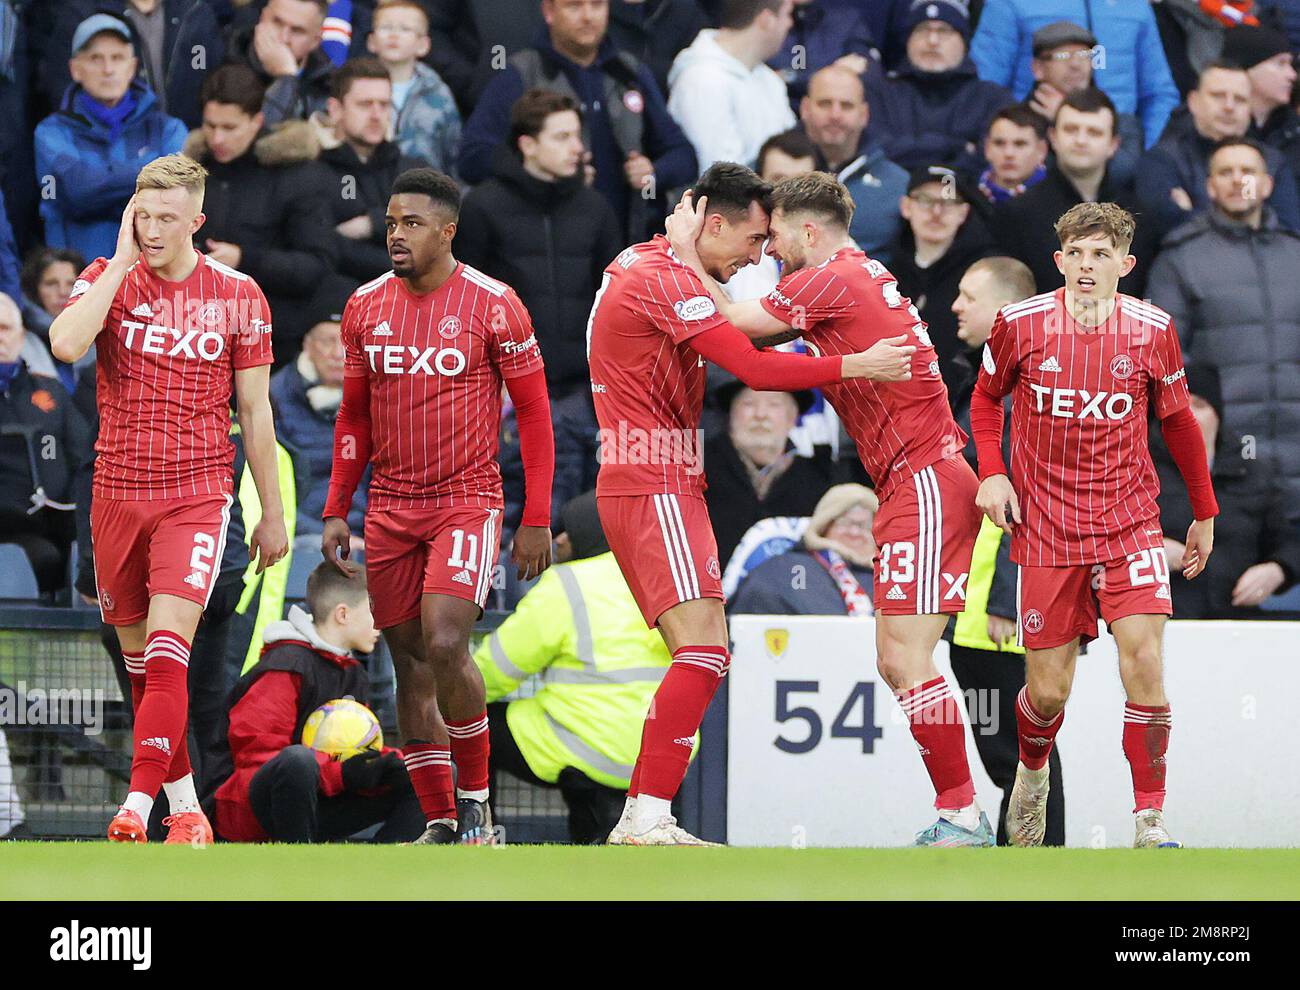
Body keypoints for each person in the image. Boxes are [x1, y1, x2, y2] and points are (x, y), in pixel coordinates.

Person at [666, 170, 991, 846]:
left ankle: (965, 815)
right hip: (916, 479)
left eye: (777, 235)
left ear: (809, 231)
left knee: (906, 659)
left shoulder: (829, 277)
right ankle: (963, 812)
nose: (768, 251)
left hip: (924, 480)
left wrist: (684, 252)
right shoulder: (852, 275)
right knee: (904, 658)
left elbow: (730, 330)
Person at [589, 162, 909, 845]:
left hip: (657, 479)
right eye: (755, 240)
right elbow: (756, 367)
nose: (760, 256)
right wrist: (857, 363)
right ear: (714, 222)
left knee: (705, 654)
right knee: (705, 652)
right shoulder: (661, 279)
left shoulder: (655, 266)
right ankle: (644, 816)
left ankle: (648, 816)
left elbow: (744, 333)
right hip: (654, 481)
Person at [47, 154, 289, 845]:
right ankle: (186, 809)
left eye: (165, 219)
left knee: (166, 651)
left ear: (197, 222)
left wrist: (270, 512)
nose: (152, 230)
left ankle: (134, 805)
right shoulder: (106, 278)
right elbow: (65, 344)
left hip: (197, 493)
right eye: (142, 215)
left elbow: (257, 409)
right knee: (144, 670)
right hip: (116, 492)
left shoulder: (239, 294)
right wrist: (120, 262)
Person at [970, 201, 1219, 849]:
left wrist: (1205, 510)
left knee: (1144, 661)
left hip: (1129, 522)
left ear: (1125, 264)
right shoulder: (1019, 325)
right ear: (1059, 261)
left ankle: (1150, 819)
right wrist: (993, 471)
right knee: (1048, 694)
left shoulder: (1152, 330)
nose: (1087, 265)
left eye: (1101, 254)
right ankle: (1030, 775)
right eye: (1076, 253)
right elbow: (985, 399)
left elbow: (1180, 423)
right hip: (1047, 530)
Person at [321, 168, 557, 844]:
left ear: (448, 231)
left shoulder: (495, 303)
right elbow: (354, 417)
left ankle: (479, 805)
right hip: (389, 506)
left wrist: (534, 516)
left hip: (466, 500)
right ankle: (442, 819)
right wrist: (339, 505)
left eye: (413, 224)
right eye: (392, 222)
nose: (397, 235)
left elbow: (537, 419)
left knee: (447, 639)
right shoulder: (365, 305)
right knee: (409, 659)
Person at [945, 254, 1067, 847]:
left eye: (969, 294)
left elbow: (1033, 502)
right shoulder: (1002, 381)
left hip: (1000, 610)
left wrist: (1006, 599)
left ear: (1005, 309)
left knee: (1018, 749)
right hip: (992, 605)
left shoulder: (1022, 390)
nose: (955, 306)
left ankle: (1041, 859)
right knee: (1018, 746)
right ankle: (1024, 858)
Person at [473, 490, 676, 843]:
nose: (559, 539)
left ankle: (478, 834)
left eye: (567, 529)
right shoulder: (660, 575)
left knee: (474, 722)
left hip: (588, 747)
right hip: (661, 753)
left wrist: (449, 691)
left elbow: (494, 670)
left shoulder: (568, 584)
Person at [457, 90, 622, 521]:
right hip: (508, 394)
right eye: (562, 137)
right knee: (516, 513)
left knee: (586, 513)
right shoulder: (482, 206)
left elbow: (614, 299)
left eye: (577, 135)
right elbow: (465, 300)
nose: (577, 147)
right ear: (527, 144)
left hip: (583, 392)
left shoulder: (595, 208)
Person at [1147, 137, 1300, 538]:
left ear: (1267, 184)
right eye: (1225, 172)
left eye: (1247, 171)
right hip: (1228, 472)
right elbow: (1164, 362)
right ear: (1209, 186)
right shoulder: (1180, 258)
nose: (1237, 181)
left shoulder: (1295, 254)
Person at [208, 563, 422, 842]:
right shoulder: (285, 666)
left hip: (321, 796)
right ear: (342, 614)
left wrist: (385, 764)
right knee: (298, 763)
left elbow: (357, 750)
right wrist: (343, 773)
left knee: (427, 775)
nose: (382, 623)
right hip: (249, 812)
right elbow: (258, 759)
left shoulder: (353, 672)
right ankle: (299, 868)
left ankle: (377, 876)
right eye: (374, 612)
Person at [458, 0, 697, 239]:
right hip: (548, 247)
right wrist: (544, 169)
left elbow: (683, 155)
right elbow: (473, 157)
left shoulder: (630, 72)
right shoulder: (521, 74)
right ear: (549, 11)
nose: (588, 16)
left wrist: (653, 172)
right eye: (574, 6)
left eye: (597, 5)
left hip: (629, 245)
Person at [185, 64, 337, 365]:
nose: (217, 138)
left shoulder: (297, 175)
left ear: (257, 121)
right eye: (210, 126)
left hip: (274, 341)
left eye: (229, 128)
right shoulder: (194, 171)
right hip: (198, 335)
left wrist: (244, 259)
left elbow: (317, 265)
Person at [34, 14, 187, 263]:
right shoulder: (51, 132)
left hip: (152, 280)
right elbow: (78, 192)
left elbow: (172, 195)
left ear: (132, 66)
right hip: (81, 279)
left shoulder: (168, 129)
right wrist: (148, 173)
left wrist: (100, 182)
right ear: (75, 69)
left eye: (117, 58)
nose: (108, 69)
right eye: (96, 58)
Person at [1153, 364, 1300, 619]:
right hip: (1157, 622)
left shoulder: (1253, 474)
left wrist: (1278, 569)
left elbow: (1289, 540)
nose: (1187, 414)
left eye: (1198, 405)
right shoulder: (1136, 469)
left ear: (1217, 415)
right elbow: (1097, 537)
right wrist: (1147, 552)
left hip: (1237, 626)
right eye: (1178, 405)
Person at [994, 89, 1157, 297]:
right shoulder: (1016, 215)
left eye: (1094, 132)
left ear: (1114, 144)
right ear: (1053, 137)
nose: (1081, 140)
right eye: (1071, 129)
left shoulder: (1140, 218)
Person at [969, 0, 1180, 151]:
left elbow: (1159, 95)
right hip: (1034, 151)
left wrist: (1145, 156)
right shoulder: (1009, 4)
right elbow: (985, 91)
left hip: (1121, 152)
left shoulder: (1135, 6)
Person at [1137, 60, 1300, 237]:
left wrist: (1192, 214)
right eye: (1218, 96)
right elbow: (1167, 229)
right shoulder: (1162, 160)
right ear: (1193, 102)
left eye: (1239, 99)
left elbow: (1287, 234)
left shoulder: (1272, 163)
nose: (1229, 107)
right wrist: (1249, 221)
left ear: (1249, 109)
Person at [0, 293, 89, 600]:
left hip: (50, 528)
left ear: (21, 336)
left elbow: (83, 460)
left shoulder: (50, 391)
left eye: (5, 329)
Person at [864, 0, 1015, 174]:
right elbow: (877, 152)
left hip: (965, 194)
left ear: (964, 42)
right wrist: (954, 146)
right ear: (907, 41)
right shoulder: (881, 95)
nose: (932, 41)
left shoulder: (992, 98)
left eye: (944, 31)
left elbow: (989, 159)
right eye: (922, 30)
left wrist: (911, 150)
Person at [704, 381, 840, 568]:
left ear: (792, 418)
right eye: (748, 404)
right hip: (708, 590)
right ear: (731, 415)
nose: (760, 415)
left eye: (774, 404)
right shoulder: (697, 464)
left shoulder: (819, 476)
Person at [315, 58, 425, 284]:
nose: (376, 115)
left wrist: (373, 223)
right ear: (335, 110)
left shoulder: (412, 170)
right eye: (365, 104)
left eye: (384, 105)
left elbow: (435, 236)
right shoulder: (312, 172)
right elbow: (325, 250)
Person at [270, 291, 367, 538]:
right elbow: (265, 492)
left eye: (347, 342)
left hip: (369, 536)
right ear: (307, 344)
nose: (338, 353)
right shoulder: (274, 398)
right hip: (299, 536)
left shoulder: (378, 397)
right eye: (327, 341)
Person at [42, 1, 224, 129]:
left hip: (188, 155)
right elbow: (63, 92)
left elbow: (215, 81)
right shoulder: (80, 13)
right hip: (110, 153)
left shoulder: (196, 10)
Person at [668, 0, 796, 172]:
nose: (790, 23)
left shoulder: (769, 79)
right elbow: (723, 174)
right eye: (787, 13)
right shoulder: (702, 80)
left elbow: (794, 151)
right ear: (767, 19)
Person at [889, 165, 996, 371]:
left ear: (963, 212)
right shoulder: (885, 274)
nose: (936, 212)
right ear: (906, 207)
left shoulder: (984, 274)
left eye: (948, 202)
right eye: (925, 201)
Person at [800, 65, 909, 261]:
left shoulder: (898, 184)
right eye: (825, 103)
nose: (835, 115)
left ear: (864, 114)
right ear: (805, 108)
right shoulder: (777, 168)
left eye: (846, 105)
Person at [1021, 20, 1144, 186]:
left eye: (1084, 55)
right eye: (1062, 56)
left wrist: (1062, 113)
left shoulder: (1123, 123)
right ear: (1038, 68)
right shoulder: (1017, 123)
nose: (1075, 64)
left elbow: (1124, 174)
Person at [730, 483, 877, 615]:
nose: (855, 532)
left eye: (865, 526)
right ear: (823, 526)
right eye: (844, 523)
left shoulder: (892, 575)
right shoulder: (787, 569)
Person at [365, 0, 461, 174]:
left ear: (423, 45)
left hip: (426, 190)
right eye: (386, 27)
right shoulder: (356, 86)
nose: (394, 35)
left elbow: (452, 155)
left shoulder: (439, 94)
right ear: (371, 40)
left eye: (405, 29)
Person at [222, 0, 335, 125]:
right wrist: (286, 79)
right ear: (262, 17)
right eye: (277, 22)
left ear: (315, 41)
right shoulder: (225, 55)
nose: (283, 38)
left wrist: (286, 78)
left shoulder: (327, 82)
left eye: (297, 30)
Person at [770, 0, 877, 111]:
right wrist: (835, 71)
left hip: (833, 115)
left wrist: (787, 77)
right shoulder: (763, 19)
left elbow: (861, 68)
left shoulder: (846, 20)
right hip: (775, 113)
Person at [1227, 24, 1300, 181]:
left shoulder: (1293, 129)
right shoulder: (1217, 129)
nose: (1292, 75)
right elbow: (1246, 197)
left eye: (1290, 64)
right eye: (1281, 64)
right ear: (1248, 70)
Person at [979, 104, 1048, 204]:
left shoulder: (1061, 198)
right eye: (999, 143)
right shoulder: (965, 192)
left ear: (1041, 150)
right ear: (987, 148)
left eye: (1020, 144)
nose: (1008, 153)